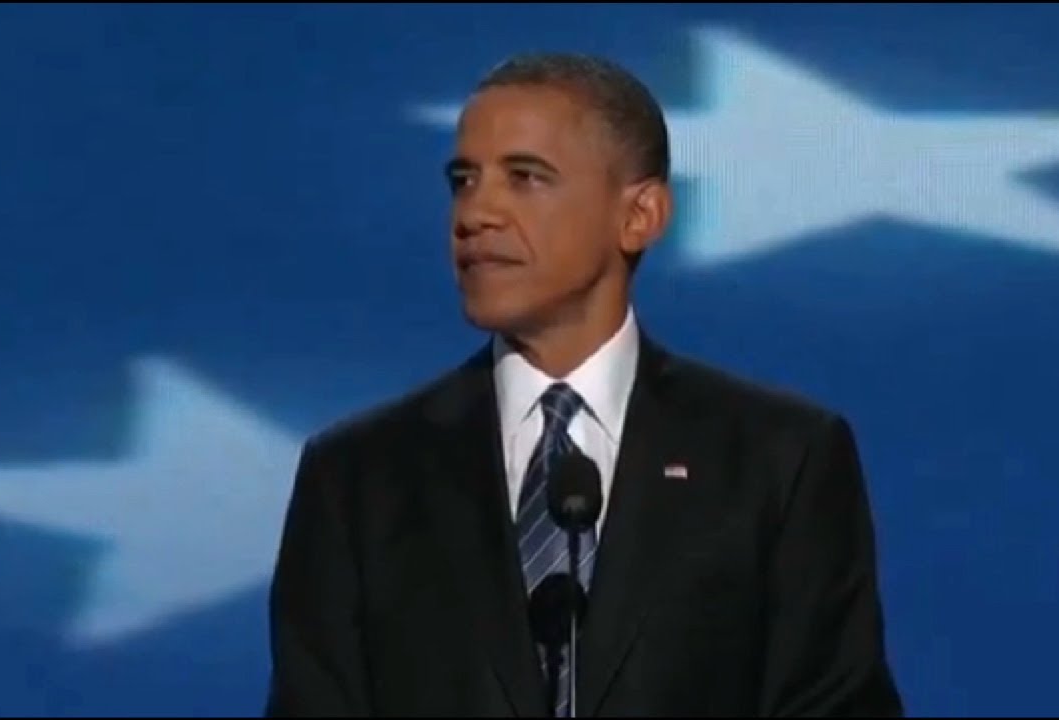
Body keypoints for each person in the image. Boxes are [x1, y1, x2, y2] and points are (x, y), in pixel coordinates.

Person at [263, 51, 904, 718]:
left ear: (641, 215)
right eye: (463, 179)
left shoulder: (779, 461)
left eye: (525, 177)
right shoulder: (359, 477)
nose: (475, 213)